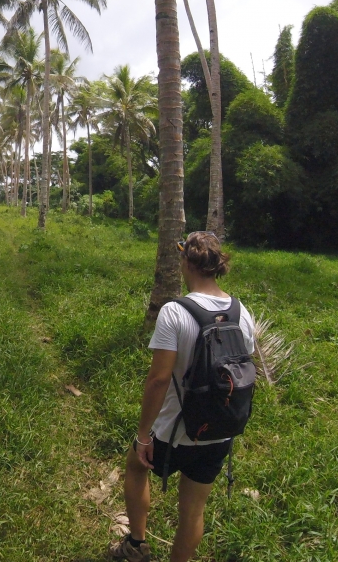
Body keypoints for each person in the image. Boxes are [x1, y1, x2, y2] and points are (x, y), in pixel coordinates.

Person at [110, 231, 255, 562]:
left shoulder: (175, 312)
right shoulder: (241, 312)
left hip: (174, 431)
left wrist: (144, 434)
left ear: (188, 262)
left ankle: (135, 545)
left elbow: (159, 379)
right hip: (219, 431)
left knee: (135, 465)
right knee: (192, 510)